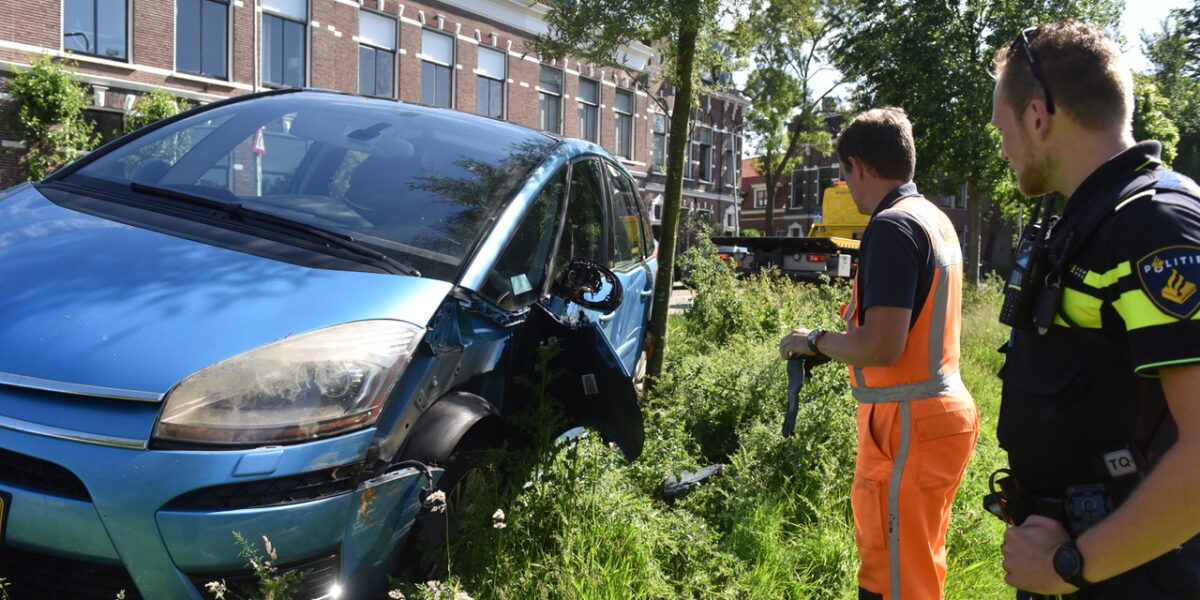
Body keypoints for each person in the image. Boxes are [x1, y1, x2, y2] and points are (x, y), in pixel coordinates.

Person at [989, 19, 1200, 598]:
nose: (1003, 149)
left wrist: (1073, 563)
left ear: (1038, 116)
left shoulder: (1155, 225)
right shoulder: (1092, 220)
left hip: (1132, 574)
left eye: (1002, 128)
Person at [779, 107, 979, 600]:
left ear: (860, 166)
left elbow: (881, 346)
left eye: (844, 176)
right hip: (936, 414)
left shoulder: (891, 227)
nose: (848, 187)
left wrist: (813, 341)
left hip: (907, 421)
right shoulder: (934, 219)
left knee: (894, 581)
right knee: (917, 566)